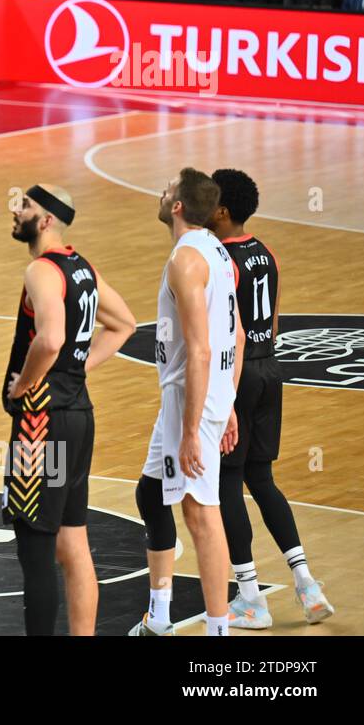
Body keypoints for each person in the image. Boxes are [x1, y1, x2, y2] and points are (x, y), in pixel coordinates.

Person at [3, 185, 136, 635]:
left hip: (42, 421)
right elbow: (124, 324)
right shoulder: (82, 267)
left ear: (46, 221)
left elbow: (52, 339)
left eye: (25, 206)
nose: (16, 210)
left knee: (34, 546)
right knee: (72, 541)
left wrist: (24, 383)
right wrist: (78, 367)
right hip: (79, 413)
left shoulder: (41, 270)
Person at [206, 168, 334, 628]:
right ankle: (306, 583)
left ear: (221, 211)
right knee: (262, 478)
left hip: (237, 374)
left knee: (226, 483)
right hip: (269, 369)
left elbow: (228, 333)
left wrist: (220, 393)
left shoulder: (220, 259)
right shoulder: (267, 252)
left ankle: (249, 597)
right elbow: (273, 323)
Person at [129, 168, 242, 637]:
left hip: (189, 400)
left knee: (199, 512)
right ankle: (159, 617)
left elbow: (199, 348)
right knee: (151, 495)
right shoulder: (217, 251)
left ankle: (219, 631)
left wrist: (194, 429)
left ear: (177, 205)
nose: (161, 190)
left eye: (168, 187)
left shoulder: (186, 260)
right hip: (203, 394)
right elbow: (232, 334)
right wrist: (227, 401)